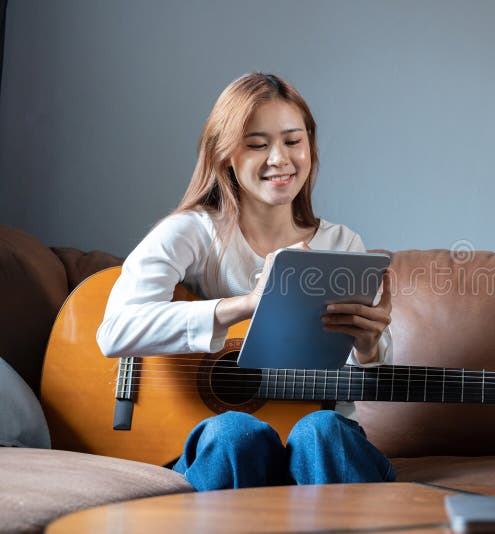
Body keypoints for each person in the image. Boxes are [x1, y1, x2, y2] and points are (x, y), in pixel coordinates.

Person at [95, 72, 395, 491]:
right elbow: (114, 332)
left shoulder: (341, 245)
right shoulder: (193, 233)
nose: (280, 159)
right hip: (220, 447)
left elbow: (356, 386)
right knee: (234, 431)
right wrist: (248, 303)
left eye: (293, 141)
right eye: (258, 144)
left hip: (317, 450)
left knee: (322, 430)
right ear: (226, 155)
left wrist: (367, 348)